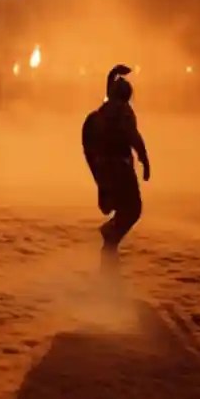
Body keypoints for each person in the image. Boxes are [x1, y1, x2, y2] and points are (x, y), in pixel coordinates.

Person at [82, 64, 151, 260]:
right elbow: (133, 136)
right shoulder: (122, 111)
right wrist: (145, 161)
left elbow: (110, 95)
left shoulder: (105, 110)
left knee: (121, 206)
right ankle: (111, 236)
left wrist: (112, 73)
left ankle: (110, 241)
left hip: (104, 167)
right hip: (120, 167)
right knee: (133, 209)